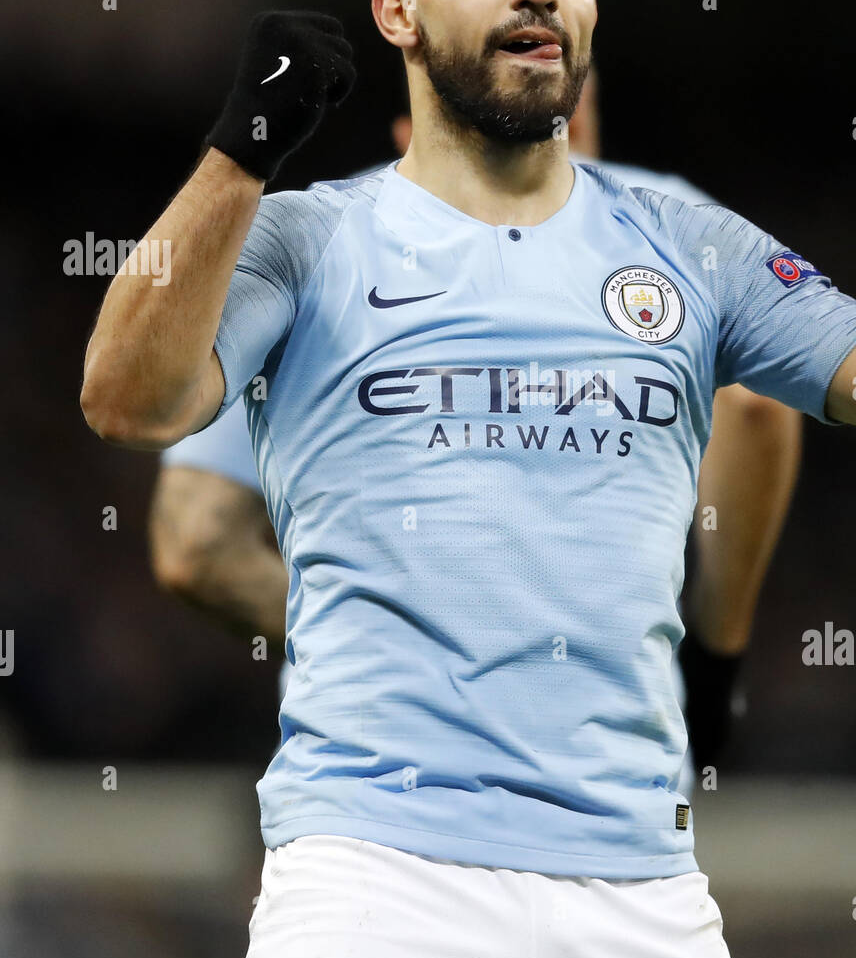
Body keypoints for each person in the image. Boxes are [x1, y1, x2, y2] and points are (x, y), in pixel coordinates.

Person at [80, 0, 856, 958]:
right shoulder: (307, 239)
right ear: (397, 11)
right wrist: (241, 148)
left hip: (637, 891)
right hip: (370, 880)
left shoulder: (687, 246)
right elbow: (126, 398)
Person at [150, 67, 802, 790]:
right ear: (584, 131)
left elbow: (195, 543)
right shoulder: (666, 224)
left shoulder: (314, 241)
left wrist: (388, 654)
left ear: (412, 135)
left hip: (374, 776)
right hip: (608, 774)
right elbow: (756, 409)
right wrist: (712, 667)